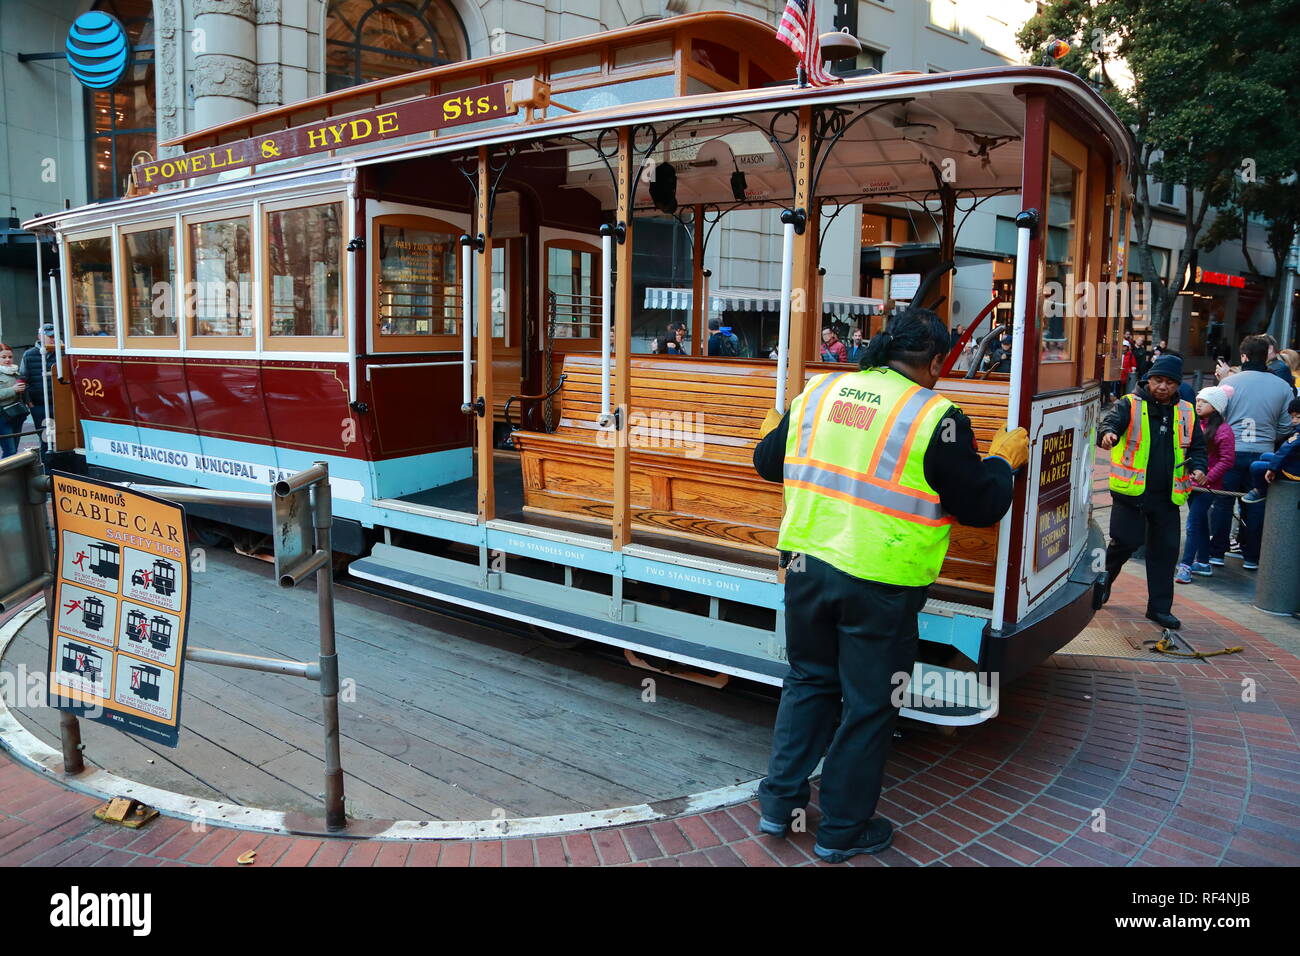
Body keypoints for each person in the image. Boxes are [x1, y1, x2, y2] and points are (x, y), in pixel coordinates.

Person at [751, 308, 1027, 862]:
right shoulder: (934, 416)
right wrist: (1004, 462)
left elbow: (767, 463)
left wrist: (772, 432)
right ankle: (842, 831)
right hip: (880, 582)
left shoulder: (821, 392)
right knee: (870, 705)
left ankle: (778, 806)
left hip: (806, 566)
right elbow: (980, 504)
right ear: (934, 360)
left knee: (808, 681)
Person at [1097, 352, 1207, 629]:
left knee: (1165, 552)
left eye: (1170, 382)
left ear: (1177, 385)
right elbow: (1109, 424)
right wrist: (1108, 435)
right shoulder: (1129, 404)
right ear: (1148, 380)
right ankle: (1100, 583)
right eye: (1158, 380)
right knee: (1125, 543)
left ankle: (1159, 609)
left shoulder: (1186, 411)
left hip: (1168, 496)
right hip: (1131, 493)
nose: (1163, 387)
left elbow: (1197, 447)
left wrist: (1199, 467)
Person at [1211, 335, 1296, 569]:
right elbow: (1287, 424)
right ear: (1268, 356)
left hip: (1231, 451)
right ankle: (1251, 556)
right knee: (1257, 504)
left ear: (1244, 356)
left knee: (1222, 502)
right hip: (1264, 453)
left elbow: (1217, 416)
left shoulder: (1230, 383)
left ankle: (1216, 552)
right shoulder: (1282, 386)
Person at [1175, 385, 1235, 583]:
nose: (1198, 404)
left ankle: (1185, 566)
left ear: (1216, 406)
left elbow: (1227, 460)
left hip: (1208, 487)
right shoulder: (1195, 424)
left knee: (1193, 523)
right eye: (1198, 400)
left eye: (1204, 402)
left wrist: (1207, 477)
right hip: (1191, 484)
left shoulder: (1224, 430)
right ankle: (1203, 562)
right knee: (1198, 523)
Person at [1242, 397, 1300, 505]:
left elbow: (1287, 449)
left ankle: (1260, 490)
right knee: (1265, 456)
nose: (1294, 421)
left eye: (1298, 417)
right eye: (1292, 417)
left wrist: (1272, 468)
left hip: (1295, 472)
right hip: (1294, 463)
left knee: (1256, 466)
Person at [21, 325, 56, 461]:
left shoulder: (61, 352)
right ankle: (48, 468)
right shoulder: (29, 355)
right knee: (46, 439)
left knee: (63, 437)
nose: (53, 339)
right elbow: (24, 379)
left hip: (60, 403)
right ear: (40, 337)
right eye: (50, 336)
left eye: (54, 336)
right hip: (40, 404)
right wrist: (30, 402)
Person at [0, 344, 28, 459]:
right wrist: (13, 389)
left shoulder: (15, 371)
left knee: (14, 449)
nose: (8, 360)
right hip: (2, 416)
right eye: (4, 357)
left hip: (17, 414)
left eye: (10, 357)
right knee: (10, 450)